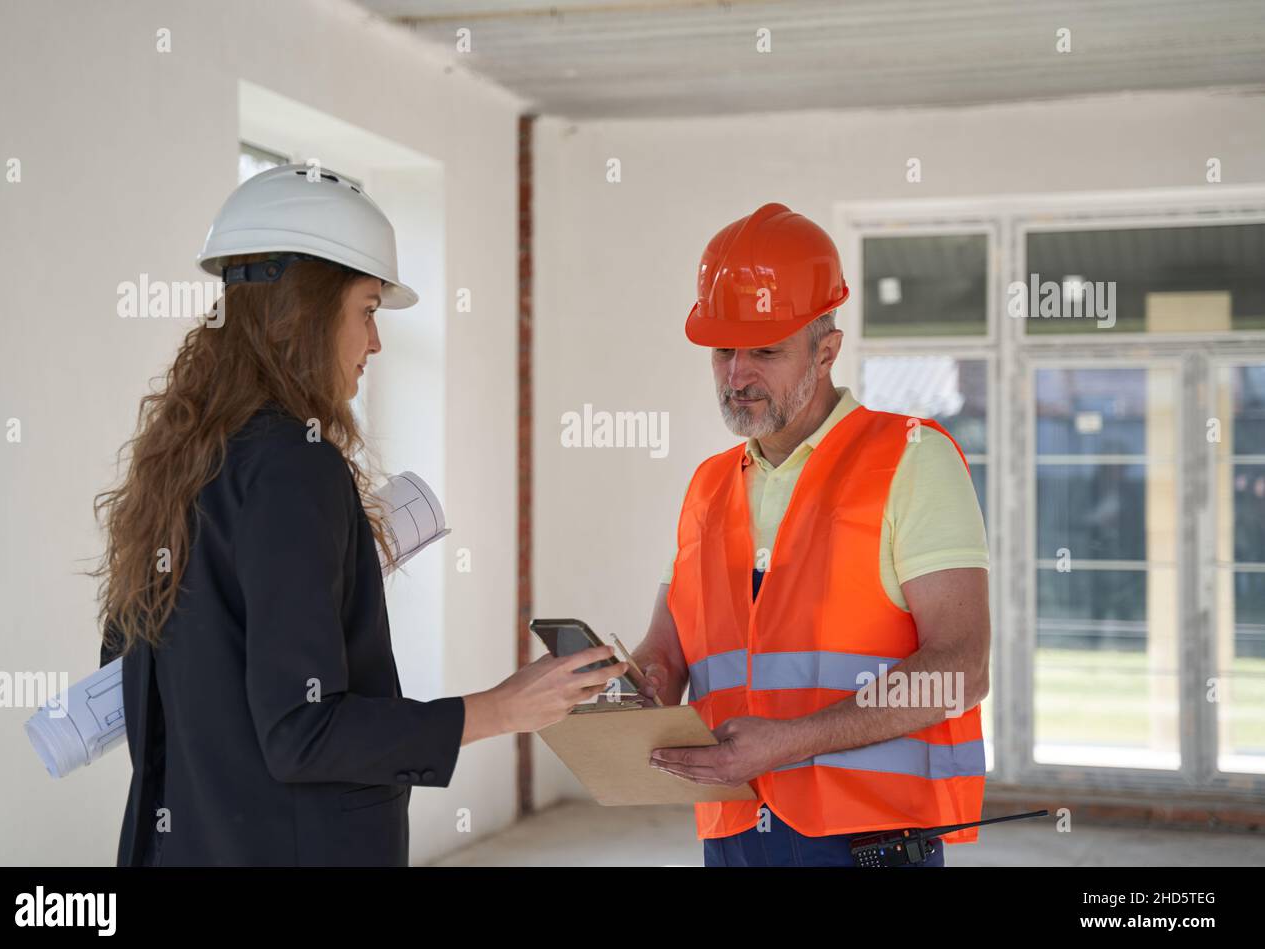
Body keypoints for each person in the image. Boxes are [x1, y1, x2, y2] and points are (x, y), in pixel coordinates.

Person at [94, 164, 625, 866]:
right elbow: (302, 732)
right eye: (368, 310)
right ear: (306, 311)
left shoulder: (181, 459)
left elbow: (140, 674)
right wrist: (502, 708)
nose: (375, 343)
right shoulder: (295, 465)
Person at [630, 203, 989, 867]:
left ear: (827, 351)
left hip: (868, 840)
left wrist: (788, 742)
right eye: (723, 351)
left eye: (765, 351)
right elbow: (667, 650)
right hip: (733, 827)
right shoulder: (708, 486)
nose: (737, 375)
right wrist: (637, 686)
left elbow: (961, 668)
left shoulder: (910, 458)